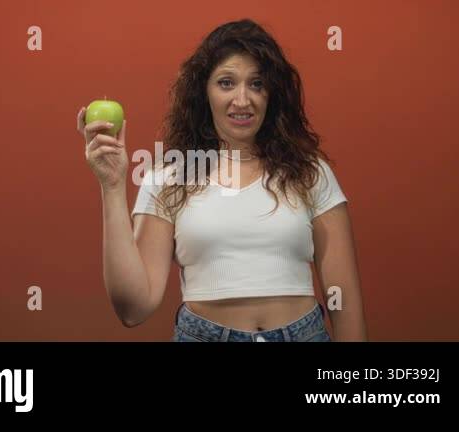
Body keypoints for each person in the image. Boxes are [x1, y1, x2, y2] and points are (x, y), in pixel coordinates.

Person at [77, 18, 367, 342]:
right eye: (226, 83)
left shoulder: (310, 172)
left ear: (272, 94)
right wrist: (113, 186)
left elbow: (346, 306)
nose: (242, 100)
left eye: (256, 84)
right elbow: (133, 308)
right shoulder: (168, 177)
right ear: (204, 92)